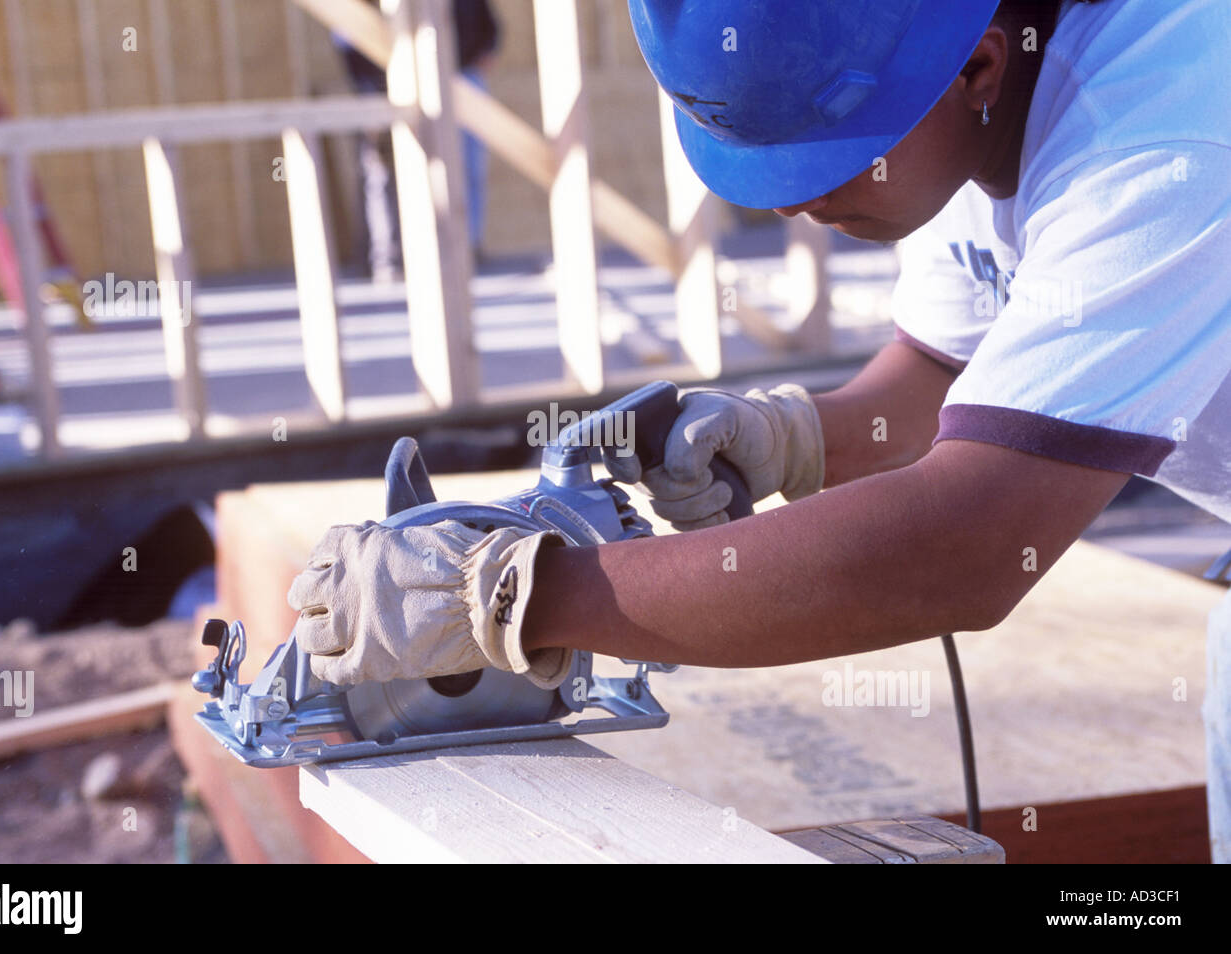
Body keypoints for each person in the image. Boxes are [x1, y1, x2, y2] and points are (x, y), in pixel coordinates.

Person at [290, 0, 1231, 860]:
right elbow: (945, 375)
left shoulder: (1163, 132)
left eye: (821, 159)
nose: (785, 204)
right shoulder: (972, 95)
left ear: (979, 69)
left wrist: (520, 599)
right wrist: (790, 434)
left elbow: (970, 541)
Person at [333, 0, 499, 280]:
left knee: (466, 166)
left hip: (457, 78)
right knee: (381, 172)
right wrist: (370, 81)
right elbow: (347, 39)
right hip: (382, 85)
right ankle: (388, 257)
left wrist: (484, 47)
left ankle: (465, 246)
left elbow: (485, 21)